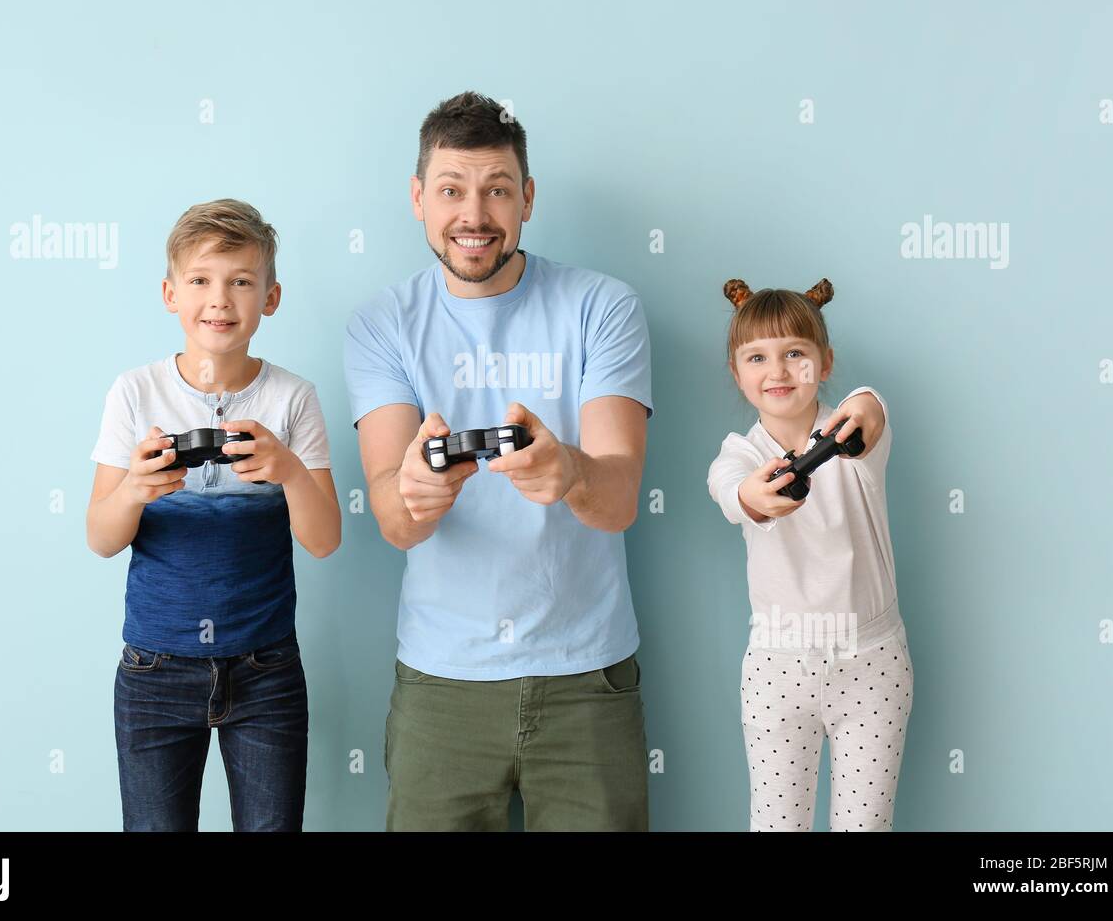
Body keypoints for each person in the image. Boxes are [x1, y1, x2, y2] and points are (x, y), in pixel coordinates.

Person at [344, 92, 654, 830]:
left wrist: (571, 472)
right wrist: (418, 488)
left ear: (528, 199)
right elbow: (393, 520)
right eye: (451, 189)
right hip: (442, 685)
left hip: (588, 678)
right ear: (418, 198)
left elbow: (617, 500)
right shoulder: (382, 324)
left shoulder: (602, 307)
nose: (473, 215)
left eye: (497, 190)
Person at [86, 198, 341, 831]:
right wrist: (136, 489)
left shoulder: (292, 398)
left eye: (241, 281)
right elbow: (100, 537)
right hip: (153, 671)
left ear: (271, 297)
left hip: (266, 670)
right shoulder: (134, 392)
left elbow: (325, 539)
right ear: (170, 293)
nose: (219, 299)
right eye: (200, 280)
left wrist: (288, 471)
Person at [707, 277, 912, 831]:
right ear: (737, 371)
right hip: (778, 668)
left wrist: (867, 404)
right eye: (757, 357)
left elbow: (868, 407)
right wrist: (754, 494)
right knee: (775, 825)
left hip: (872, 662)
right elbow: (733, 491)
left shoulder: (853, 439)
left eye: (795, 354)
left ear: (824, 362)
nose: (777, 371)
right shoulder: (738, 455)